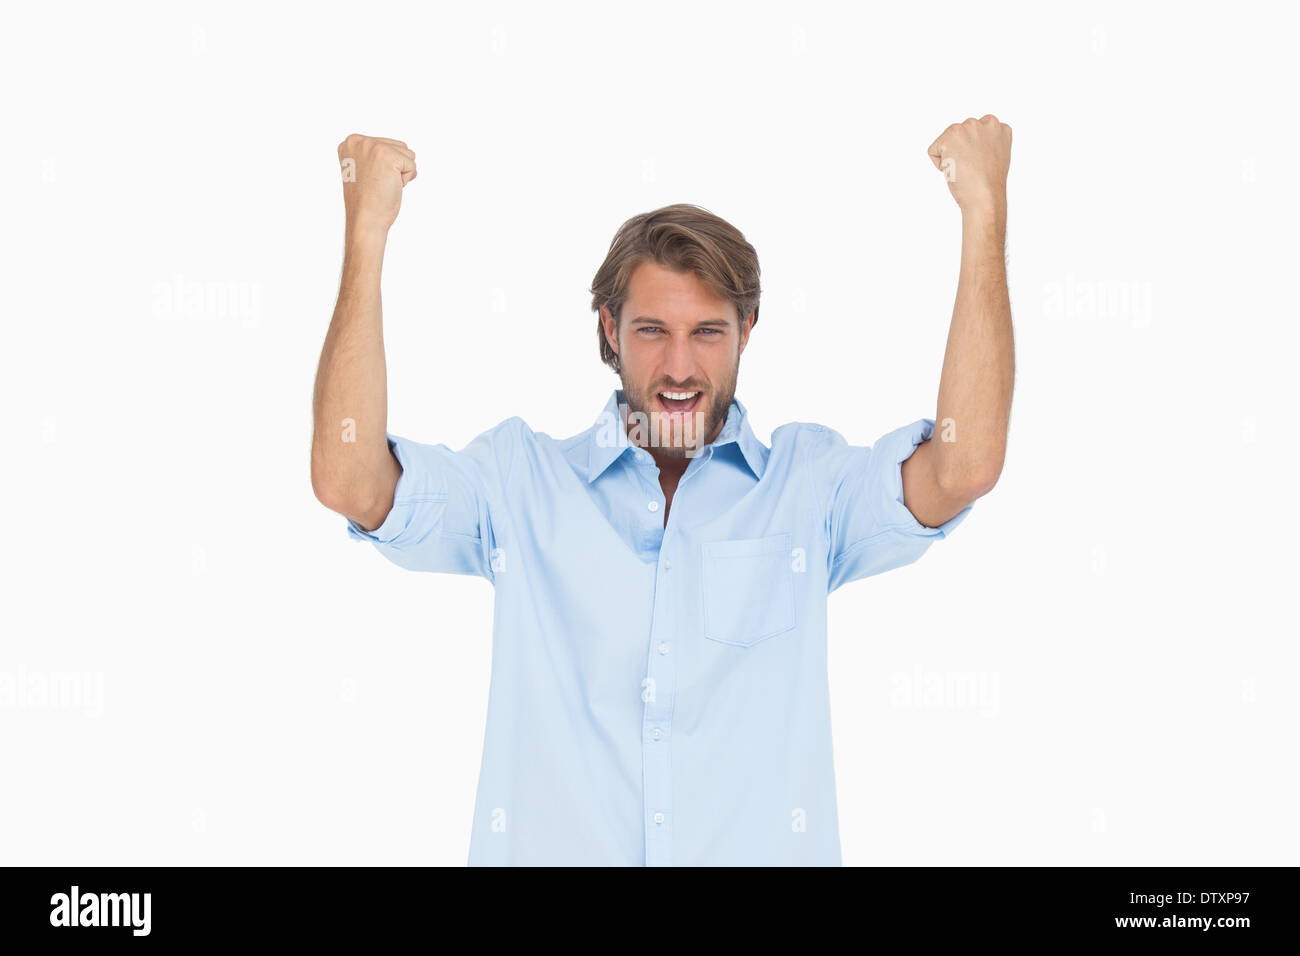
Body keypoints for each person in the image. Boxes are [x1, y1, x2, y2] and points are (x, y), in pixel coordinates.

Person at [311, 117, 1014, 865]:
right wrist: (367, 233)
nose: (679, 368)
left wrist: (985, 214)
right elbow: (349, 478)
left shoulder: (809, 489)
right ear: (610, 330)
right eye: (652, 331)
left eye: (707, 331)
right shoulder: (519, 485)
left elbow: (962, 467)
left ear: (748, 329)